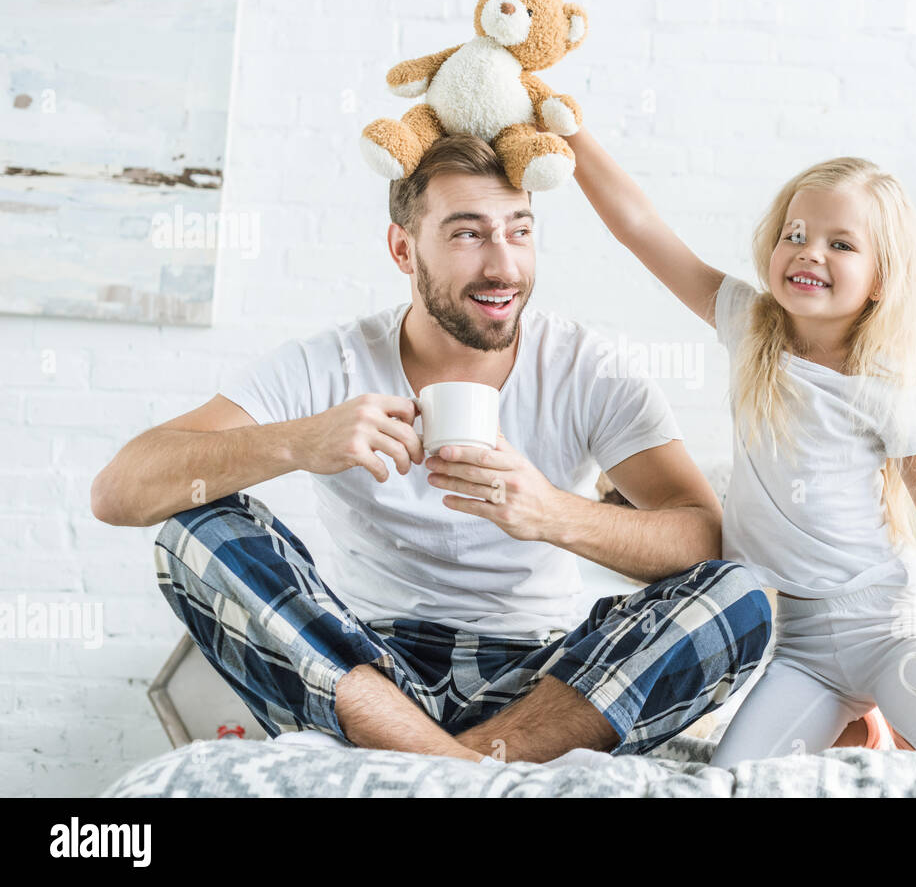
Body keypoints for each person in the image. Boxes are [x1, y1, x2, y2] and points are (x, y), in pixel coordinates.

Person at [91, 134, 772, 766]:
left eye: (520, 231)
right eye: (468, 233)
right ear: (402, 249)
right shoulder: (329, 362)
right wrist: (301, 440)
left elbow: (704, 537)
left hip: (542, 687)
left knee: (740, 596)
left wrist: (550, 513)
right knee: (194, 530)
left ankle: (432, 765)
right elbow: (120, 491)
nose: (504, 264)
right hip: (365, 673)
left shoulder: (586, 369)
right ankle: (469, 772)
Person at [569, 127, 916, 795]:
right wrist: (569, 132)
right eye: (795, 233)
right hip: (796, 646)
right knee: (734, 781)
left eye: (840, 243)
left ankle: (881, 720)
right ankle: (865, 729)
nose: (808, 252)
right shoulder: (748, 324)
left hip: (886, 625)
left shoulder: (887, 386)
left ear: (881, 278)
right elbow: (641, 227)